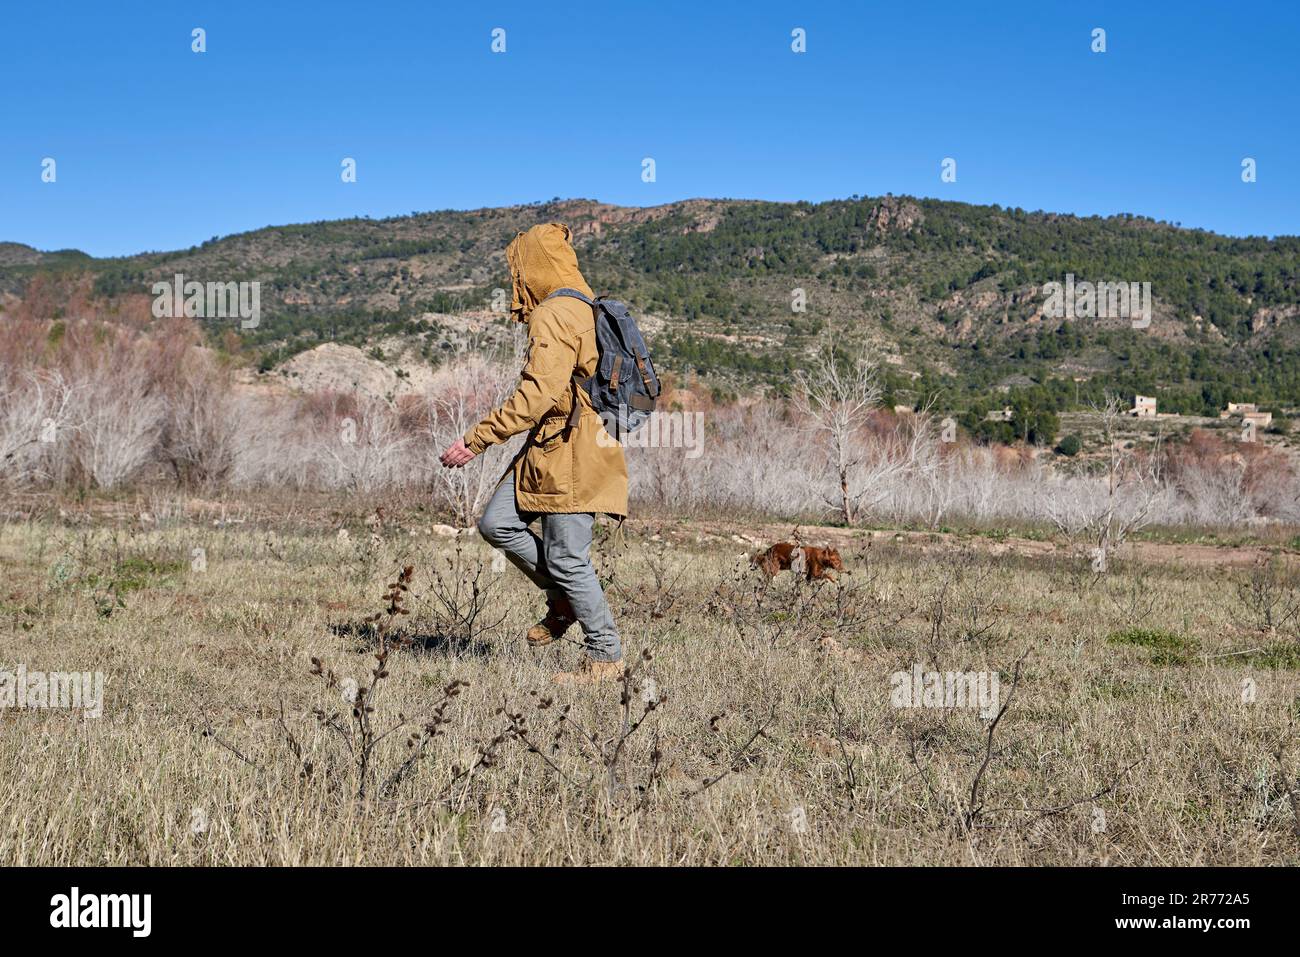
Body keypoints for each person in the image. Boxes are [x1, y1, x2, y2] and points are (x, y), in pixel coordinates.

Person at [439, 223, 628, 684]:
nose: (515, 281)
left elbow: (536, 396)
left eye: (518, 269)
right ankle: (564, 599)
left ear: (533, 267)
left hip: (572, 451)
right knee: (496, 523)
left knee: (568, 558)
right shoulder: (585, 306)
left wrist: (477, 439)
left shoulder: (556, 314)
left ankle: (605, 655)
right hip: (549, 446)